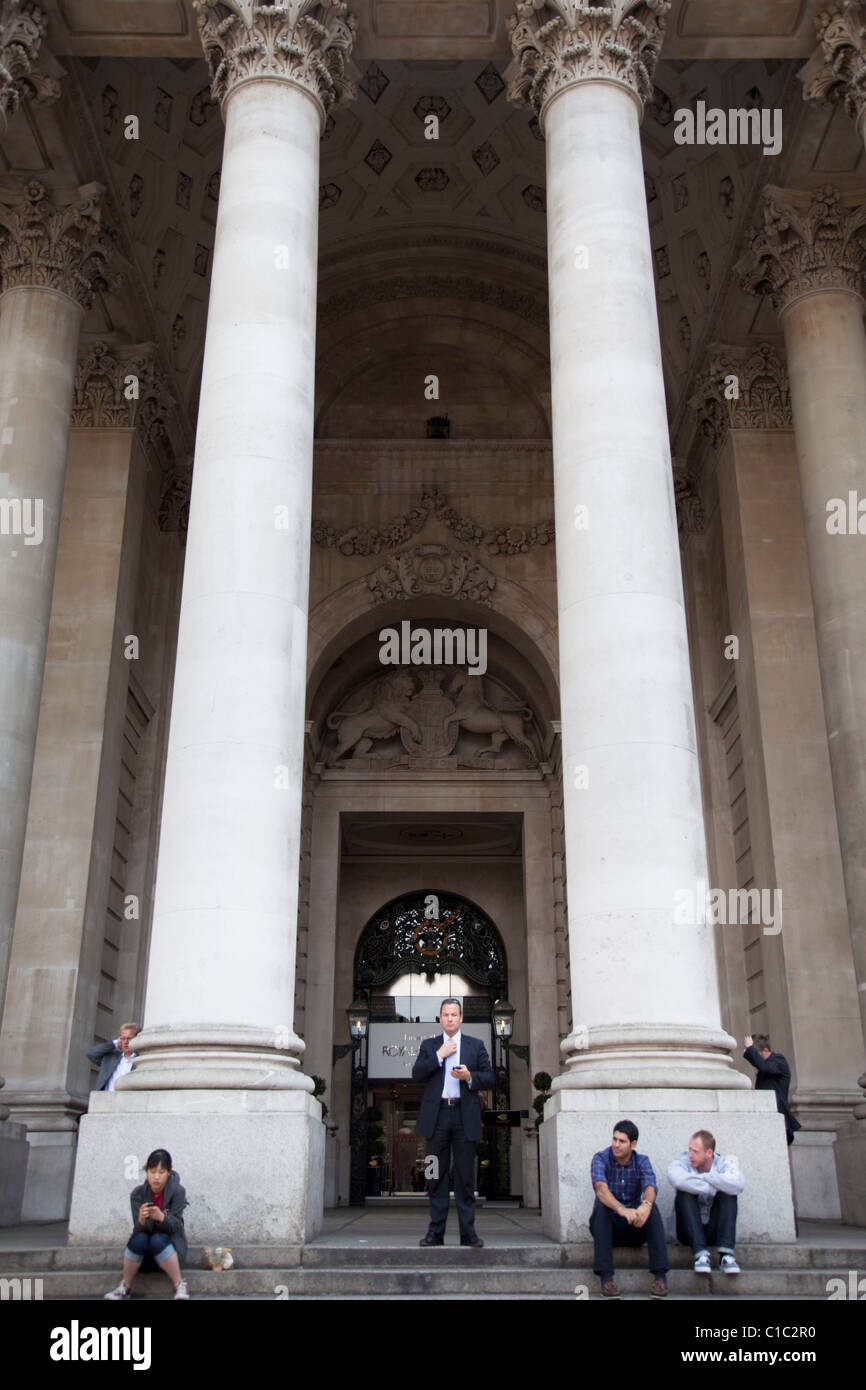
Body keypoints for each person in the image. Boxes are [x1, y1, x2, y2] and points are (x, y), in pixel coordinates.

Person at [412, 997, 494, 1247]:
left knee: (464, 1177)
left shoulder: (475, 1045)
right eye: (445, 1015)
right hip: (436, 1119)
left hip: (463, 1117)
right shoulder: (430, 1046)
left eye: (454, 1014)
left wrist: (470, 1077)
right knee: (434, 1174)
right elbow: (417, 1074)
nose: (449, 1019)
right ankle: (435, 1233)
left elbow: (490, 1077)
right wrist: (439, 1055)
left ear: (461, 1018)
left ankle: (468, 1233)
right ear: (440, 1019)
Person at [589, 1120, 668, 1298]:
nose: (616, 1145)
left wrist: (646, 1205)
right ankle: (606, 1279)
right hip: (607, 1228)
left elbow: (650, 1186)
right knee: (602, 1206)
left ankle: (660, 1278)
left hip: (634, 1226)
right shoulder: (601, 1158)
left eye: (622, 1141)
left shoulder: (642, 1161)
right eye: (614, 1139)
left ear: (633, 1144)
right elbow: (601, 1189)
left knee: (652, 1208)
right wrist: (620, 1208)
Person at [104, 1148, 189, 1300]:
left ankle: (179, 1284)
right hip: (144, 1257)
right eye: (152, 1171)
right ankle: (125, 1287)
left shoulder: (178, 1192)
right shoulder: (137, 1194)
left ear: (169, 1172)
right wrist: (142, 1221)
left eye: (161, 1172)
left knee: (158, 1239)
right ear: (146, 1172)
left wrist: (162, 1217)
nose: (156, 1177)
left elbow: (176, 1225)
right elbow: (137, 1230)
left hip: (170, 1252)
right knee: (139, 1238)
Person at [667, 1129, 744, 1275]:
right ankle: (701, 1255)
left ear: (709, 1153)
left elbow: (739, 1184)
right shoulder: (683, 1161)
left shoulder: (722, 1163)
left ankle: (726, 1256)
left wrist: (708, 1177)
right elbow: (677, 1179)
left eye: (695, 1151)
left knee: (729, 1193)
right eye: (689, 1149)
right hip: (687, 1231)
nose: (690, 1155)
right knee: (684, 1192)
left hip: (715, 1229)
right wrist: (713, 1188)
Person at [743, 1034, 801, 1145]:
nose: (755, 1060)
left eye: (757, 1054)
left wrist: (750, 1049)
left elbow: (764, 1066)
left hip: (779, 1119)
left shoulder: (778, 1060)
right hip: (767, 1119)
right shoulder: (764, 1069)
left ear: (765, 1050)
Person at [87, 1022, 139, 1091]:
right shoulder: (110, 1059)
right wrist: (116, 1043)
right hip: (106, 1098)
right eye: (123, 1038)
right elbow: (92, 1053)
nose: (126, 1042)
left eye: (129, 1038)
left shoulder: (140, 1060)